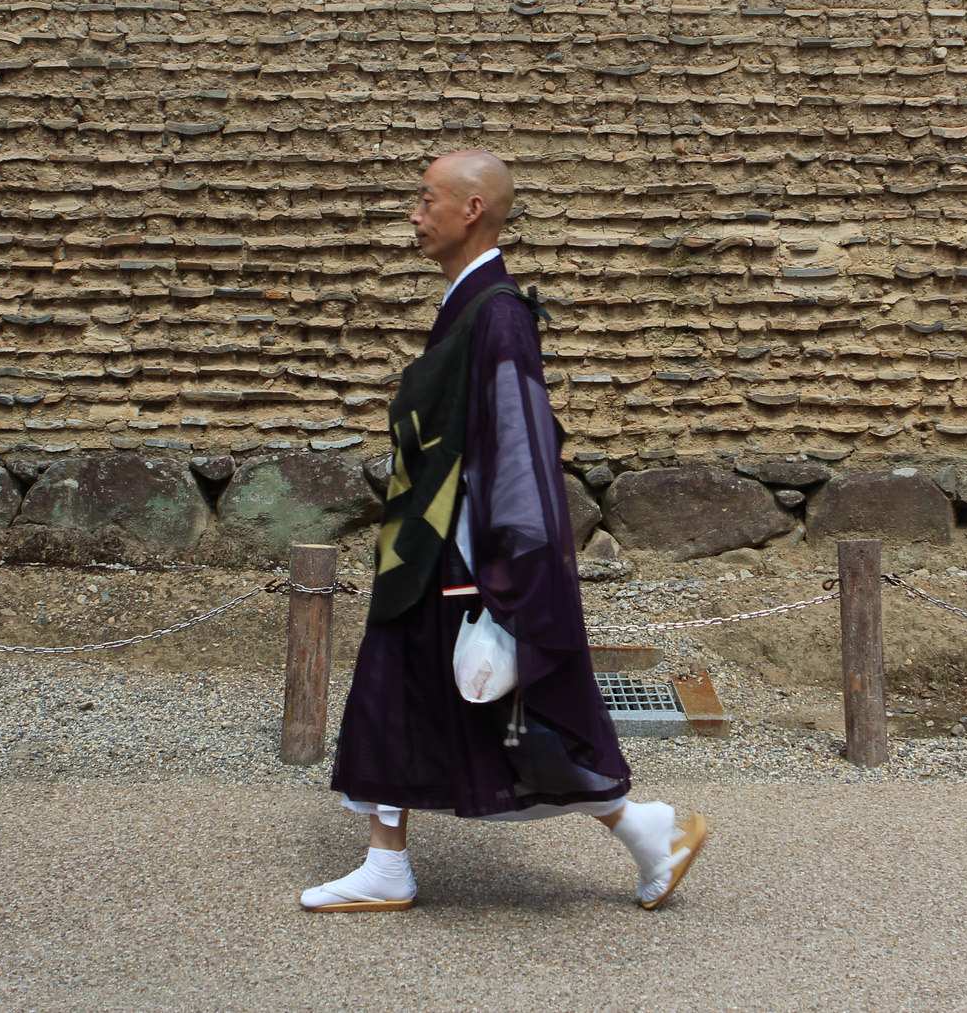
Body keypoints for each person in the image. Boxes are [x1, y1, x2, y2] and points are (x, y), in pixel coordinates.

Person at [300, 149, 709, 914]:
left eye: (426, 201)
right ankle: (391, 859)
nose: (414, 216)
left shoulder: (499, 316)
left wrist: (514, 569)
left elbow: (518, 443)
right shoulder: (471, 308)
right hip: (425, 552)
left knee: (505, 714)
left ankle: (649, 828)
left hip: (458, 559)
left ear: (473, 209)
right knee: (404, 696)